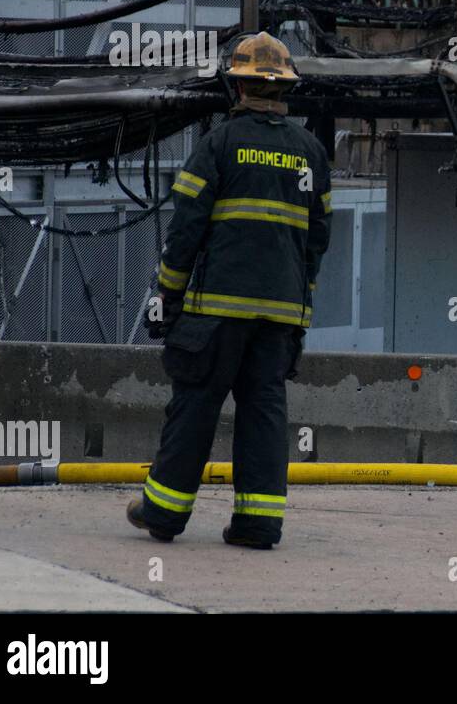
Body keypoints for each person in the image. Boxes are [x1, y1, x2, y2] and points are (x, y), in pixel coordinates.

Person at [127, 31, 332, 549]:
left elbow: (186, 231)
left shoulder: (219, 144)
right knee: (264, 413)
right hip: (280, 317)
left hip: (217, 312)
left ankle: (164, 513)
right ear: (283, 90)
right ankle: (259, 524)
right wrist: (299, 318)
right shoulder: (310, 152)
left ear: (236, 85)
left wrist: (166, 298)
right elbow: (317, 243)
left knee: (195, 406)